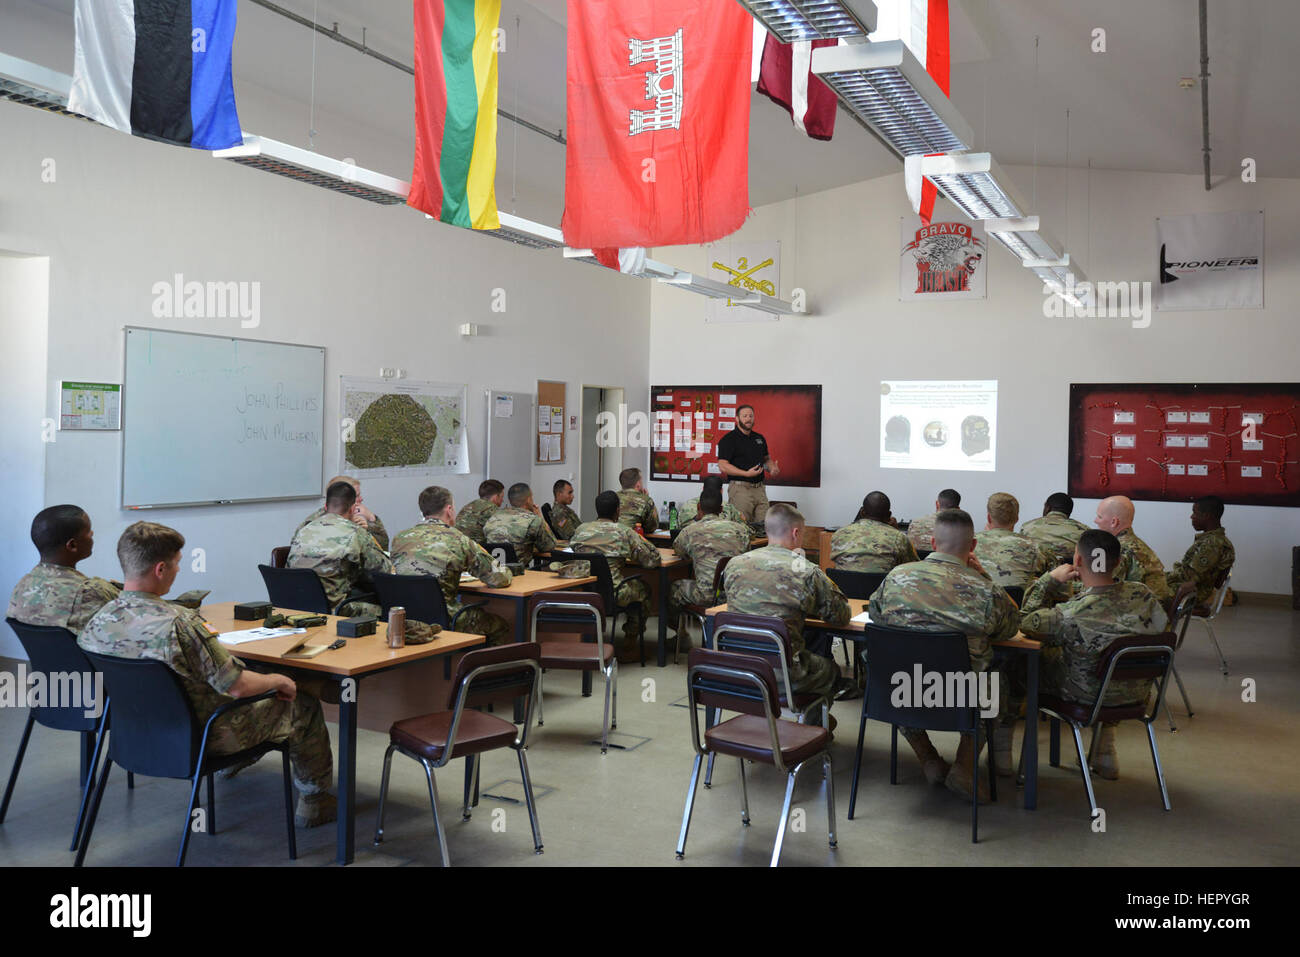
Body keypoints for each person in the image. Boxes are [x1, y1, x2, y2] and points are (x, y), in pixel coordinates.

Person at [79, 522, 336, 826]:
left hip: (134, 733)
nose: (178, 571)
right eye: (176, 564)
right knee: (302, 704)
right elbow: (237, 686)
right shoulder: (180, 624)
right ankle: (314, 802)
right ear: (160, 569)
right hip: (205, 737)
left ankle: (233, 766)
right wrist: (280, 681)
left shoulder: (98, 620)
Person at [869, 508, 1020, 799]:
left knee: (894, 666)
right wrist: (985, 575)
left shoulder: (897, 577)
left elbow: (876, 615)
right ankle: (964, 767)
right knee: (995, 684)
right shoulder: (985, 590)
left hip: (897, 690)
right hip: (957, 697)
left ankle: (928, 758)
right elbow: (1010, 628)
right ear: (973, 547)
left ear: (933, 543)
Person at [1020, 529, 1168, 780]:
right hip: (1136, 694)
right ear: (1119, 563)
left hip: (1085, 696)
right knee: (1104, 662)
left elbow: (1025, 622)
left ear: (1077, 561)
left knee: (1022, 662)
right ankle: (1105, 748)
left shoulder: (1069, 615)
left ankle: (1003, 755)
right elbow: (1164, 629)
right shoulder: (1143, 595)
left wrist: (1048, 581)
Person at [723, 504, 851, 718]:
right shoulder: (806, 571)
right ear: (796, 533)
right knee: (830, 670)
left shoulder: (735, 565)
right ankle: (814, 726)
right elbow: (841, 616)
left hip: (736, 667)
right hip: (783, 674)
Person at [8, 505, 208, 635]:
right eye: (88, 533)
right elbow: (145, 610)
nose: (93, 535)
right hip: (102, 684)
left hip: (55, 686)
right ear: (72, 545)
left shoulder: (22, 586)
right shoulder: (87, 591)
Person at [391, 487, 513, 646]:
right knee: (500, 625)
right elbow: (498, 578)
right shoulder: (458, 539)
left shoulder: (400, 538)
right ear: (449, 510)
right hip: (446, 618)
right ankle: (482, 668)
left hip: (406, 619)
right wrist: (508, 571)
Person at [571, 490, 662, 662]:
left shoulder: (581, 530)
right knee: (644, 590)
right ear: (618, 511)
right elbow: (652, 560)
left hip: (585, 591)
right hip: (614, 593)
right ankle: (630, 643)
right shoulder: (624, 532)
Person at [288, 480, 392, 616]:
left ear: (325, 507)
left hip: (296, 606)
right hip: (335, 609)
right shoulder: (355, 532)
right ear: (352, 509)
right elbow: (383, 572)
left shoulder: (304, 529)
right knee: (394, 612)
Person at [667, 488, 750, 651]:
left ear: (699, 507)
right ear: (721, 510)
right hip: (734, 594)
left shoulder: (690, 531)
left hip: (705, 596)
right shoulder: (741, 530)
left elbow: (678, 551)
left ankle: (681, 636)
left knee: (673, 588)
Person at [1094, 495, 1171, 605]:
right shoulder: (1135, 543)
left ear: (1113, 522)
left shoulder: (1119, 550)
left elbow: (1100, 588)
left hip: (1140, 613)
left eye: (1099, 517)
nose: (1095, 520)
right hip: (1153, 609)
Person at [973, 493, 1054, 592]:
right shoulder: (1034, 546)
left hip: (979, 603)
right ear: (1017, 519)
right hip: (1020, 605)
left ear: (989, 518)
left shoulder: (970, 543)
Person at [1166, 495, 1235, 607]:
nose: (1191, 516)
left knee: (1139, 591)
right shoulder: (1214, 540)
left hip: (1190, 593)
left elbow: (1189, 578)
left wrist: (1159, 577)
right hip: (1187, 587)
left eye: (1195, 513)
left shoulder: (1212, 544)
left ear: (1207, 516)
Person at [715, 404, 779, 523]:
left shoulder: (759, 438)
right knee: (741, 528)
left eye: (751, 416)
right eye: (744, 416)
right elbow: (722, 465)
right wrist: (745, 474)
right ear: (737, 418)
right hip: (740, 490)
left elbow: (766, 459)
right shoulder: (728, 439)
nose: (748, 419)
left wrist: (772, 468)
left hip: (760, 489)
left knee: (764, 527)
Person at [830, 491, 918, 573]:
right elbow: (913, 567)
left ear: (862, 512)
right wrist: (896, 531)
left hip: (843, 588)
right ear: (888, 515)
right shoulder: (898, 537)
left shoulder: (839, 534)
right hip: (882, 589)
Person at [296, 475, 389, 550]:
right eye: (357, 496)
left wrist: (371, 520)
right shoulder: (313, 522)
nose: (361, 499)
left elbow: (383, 546)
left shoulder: (356, 517)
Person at [483, 482, 558, 565]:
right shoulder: (533, 519)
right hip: (519, 572)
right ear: (528, 499)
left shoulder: (494, 516)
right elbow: (550, 546)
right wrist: (540, 517)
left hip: (494, 570)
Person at [1020, 492, 1091, 566]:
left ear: (1047, 508)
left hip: (1036, 575)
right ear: (1069, 512)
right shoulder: (1084, 531)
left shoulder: (1027, 527)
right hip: (1068, 575)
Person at [676, 475, 748, 528]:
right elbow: (744, 530)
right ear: (721, 491)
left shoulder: (687, 505)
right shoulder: (728, 507)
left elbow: (680, 528)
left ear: (703, 488)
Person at [455, 479, 504, 546]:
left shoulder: (467, 506)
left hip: (459, 546)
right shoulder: (492, 509)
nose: (502, 500)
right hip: (476, 550)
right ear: (496, 497)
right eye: (502, 497)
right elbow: (501, 535)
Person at [615, 467, 660, 533]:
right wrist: (646, 498)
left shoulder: (613, 497)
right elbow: (652, 527)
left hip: (610, 538)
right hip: (631, 540)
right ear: (638, 484)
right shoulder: (645, 500)